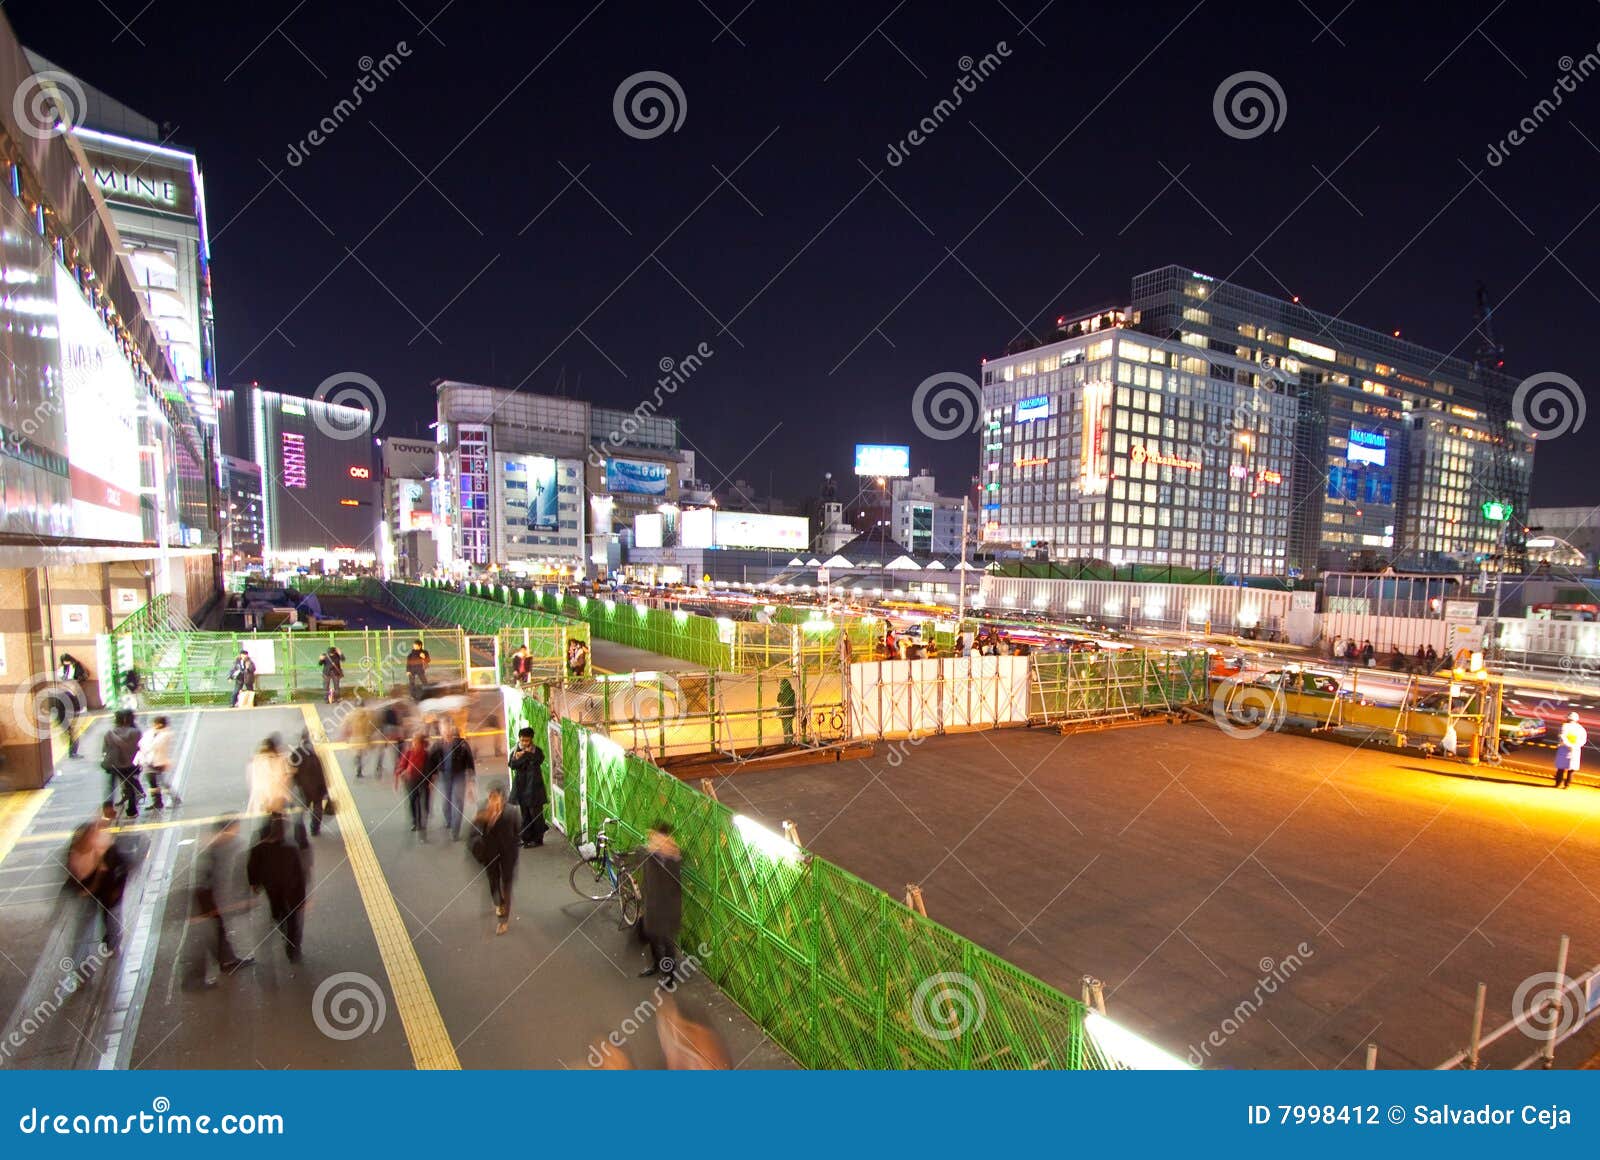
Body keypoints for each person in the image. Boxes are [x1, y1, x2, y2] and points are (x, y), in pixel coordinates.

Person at [183, 818, 253, 988]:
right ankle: (194, 980)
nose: (238, 830)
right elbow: (221, 877)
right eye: (235, 827)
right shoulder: (222, 846)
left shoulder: (216, 843)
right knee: (202, 939)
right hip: (208, 901)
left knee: (217, 931)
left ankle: (227, 960)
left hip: (208, 899)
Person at [246, 812, 310, 962]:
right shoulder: (291, 849)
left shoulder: (258, 849)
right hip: (291, 890)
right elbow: (299, 873)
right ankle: (293, 949)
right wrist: (302, 896)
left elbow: (252, 868)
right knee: (293, 919)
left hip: (272, 889)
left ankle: (283, 930)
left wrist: (254, 884)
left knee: (278, 913)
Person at [66, 818, 129, 954]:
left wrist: (115, 890)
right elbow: (78, 881)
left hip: (109, 887)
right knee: (85, 925)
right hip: (90, 889)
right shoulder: (76, 857)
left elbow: (120, 868)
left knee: (111, 918)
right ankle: (81, 959)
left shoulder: (104, 846)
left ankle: (113, 945)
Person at [470, 785, 520, 936]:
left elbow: (518, 834)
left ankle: (503, 921)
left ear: (503, 800)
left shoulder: (511, 813)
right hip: (489, 854)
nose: (493, 802)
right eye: (491, 798)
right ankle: (498, 903)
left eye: (497, 799)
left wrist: (513, 854)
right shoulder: (482, 811)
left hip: (507, 855)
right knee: (493, 881)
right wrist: (484, 820)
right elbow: (474, 833)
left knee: (507, 885)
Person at [638, 820, 683, 978]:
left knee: (667, 942)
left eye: (660, 838)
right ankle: (656, 965)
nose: (657, 841)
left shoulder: (673, 857)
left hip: (668, 908)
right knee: (652, 937)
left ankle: (669, 974)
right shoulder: (650, 854)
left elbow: (674, 886)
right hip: (652, 905)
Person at [436, 717, 476, 841]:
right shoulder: (438, 745)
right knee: (446, 803)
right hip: (444, 776)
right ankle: (449, 820)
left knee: (458, 802)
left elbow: (470, 763)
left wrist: (470, 783)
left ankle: (455, 830)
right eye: (443, 728)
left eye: (448, 727)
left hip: (459, 775)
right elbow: (432, 762)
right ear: (440, 730)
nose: (446, 730)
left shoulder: (462, 744)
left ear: (452, 728)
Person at [508, 727, 547, 847]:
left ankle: (538, 839)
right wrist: (519, 757)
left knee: (535, 814)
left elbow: (539, 759)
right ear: (519, 738)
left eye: (527, 740)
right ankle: (526, 837)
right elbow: (512, 764)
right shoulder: (515, 750)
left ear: (531, 740)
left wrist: (525, 755)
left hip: (534, 787)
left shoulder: (536, 751)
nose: (525, 743)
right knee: (525, 814)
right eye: (523, 740)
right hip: (522, 786)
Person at [101, 708, 143, 819]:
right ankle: (132, 811)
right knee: (130, 786)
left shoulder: (109, 733)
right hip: (130, 765)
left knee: (110, 787)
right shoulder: (136, 733)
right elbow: (140, 748)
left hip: (113, 764)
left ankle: (108, 810)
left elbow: (104, 750)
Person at [289, 730, 331, 836]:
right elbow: (322, 770)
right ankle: (314, 828)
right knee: (317, 807)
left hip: (302, 787)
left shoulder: (297, 752)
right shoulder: (317, 752)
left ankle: (299, 832)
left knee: (299, 810)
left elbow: (292, 770)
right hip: (318, 786)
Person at [135, 715, 181, 811]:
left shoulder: (165, 735)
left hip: (158, 761)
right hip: (147, 760)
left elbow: (154, 746)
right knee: (152, 782)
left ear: (160, 724)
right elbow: (141, 743)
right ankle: (157, 802)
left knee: (161, 782)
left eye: (155, 724)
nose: (153, 725)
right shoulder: (150, 733)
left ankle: (174, 798)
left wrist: (146, 746)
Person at [396, 731, 432, 837]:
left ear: (422, 744)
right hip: (410, 780)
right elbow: (402, 765)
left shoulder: (426, 754)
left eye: (416, 742)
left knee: (422, 802)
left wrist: (429, 781)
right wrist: (403, 772)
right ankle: (414, 821)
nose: (414, 744)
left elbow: (429, 769)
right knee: (412, 800)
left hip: (422, 780)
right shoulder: (409, 753)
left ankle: (420, 821)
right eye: (413, 742)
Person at [246, 735, 293, 816]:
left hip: (268, 802)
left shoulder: (257, 762)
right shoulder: (277, 761)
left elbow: (256, 785)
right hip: (271, 802)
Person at [58, 653, 87, 757]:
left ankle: (72, 752)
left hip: (69, 714)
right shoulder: (66, 693)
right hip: (70, 714)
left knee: (73, 732)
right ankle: (72, 752)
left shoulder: (75, 667)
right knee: (73, 732)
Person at [343, 702, 381, 780]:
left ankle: (357, 761)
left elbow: (345, 725)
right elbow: (373, 725)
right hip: (364, 738)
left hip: (354, 739)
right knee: (364, 754)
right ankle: (359, 769)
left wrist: (346, 735)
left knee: (358, 753)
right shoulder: (368, 715)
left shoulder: (350, 715)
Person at [1555, 712, 1588, 789]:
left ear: (1568, 718)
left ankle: (1558, 783)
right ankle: (1567, 785)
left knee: (1561, 768)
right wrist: (1575, 746)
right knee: (1571, 769)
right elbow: (1583, 740)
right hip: (1575, 750)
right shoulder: (1581, 728)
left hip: (1564, 749)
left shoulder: (1564, 726)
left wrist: (1568, 745)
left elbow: (1562, 737)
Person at [775, 677, 797, 746]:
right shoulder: (792, 691)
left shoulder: (782, 693)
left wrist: (781, 692)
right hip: (790, 711)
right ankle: (791, 740)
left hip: (784, 712)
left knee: (785, 727)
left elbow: (778, 700)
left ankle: (786, 741)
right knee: (790, 726)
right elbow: (793, 700)